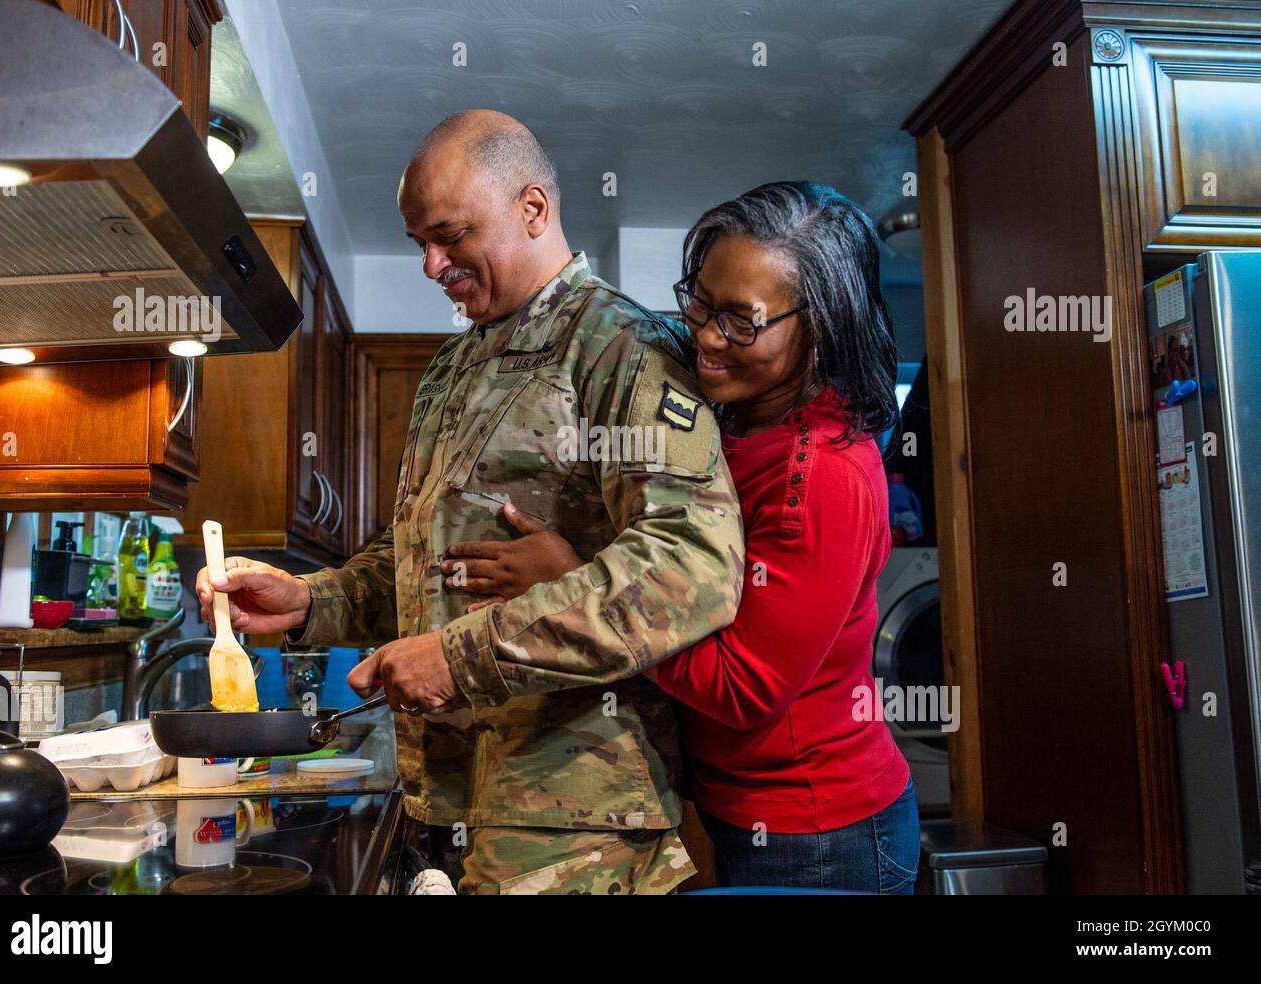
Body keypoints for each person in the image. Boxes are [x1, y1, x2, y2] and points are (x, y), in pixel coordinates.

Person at [194, 110, 744, 895]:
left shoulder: (623, 349)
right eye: (419, 242)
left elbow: (689, 567)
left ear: (533, 209)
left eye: (449, 236)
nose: (431, 264)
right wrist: (311, 602)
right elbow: (419, 560)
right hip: (446, 796)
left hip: (572, 823)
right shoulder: (453, 367)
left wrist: (458, 659)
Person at [447, 182, 920, 893]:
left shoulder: (823, 476)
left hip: (820, 831)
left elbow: (741, 688)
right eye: (699, 303)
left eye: (740, 321)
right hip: (738, 805)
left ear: (821, 329)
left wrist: (573, 581)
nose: (706, 336)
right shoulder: (735, 418)